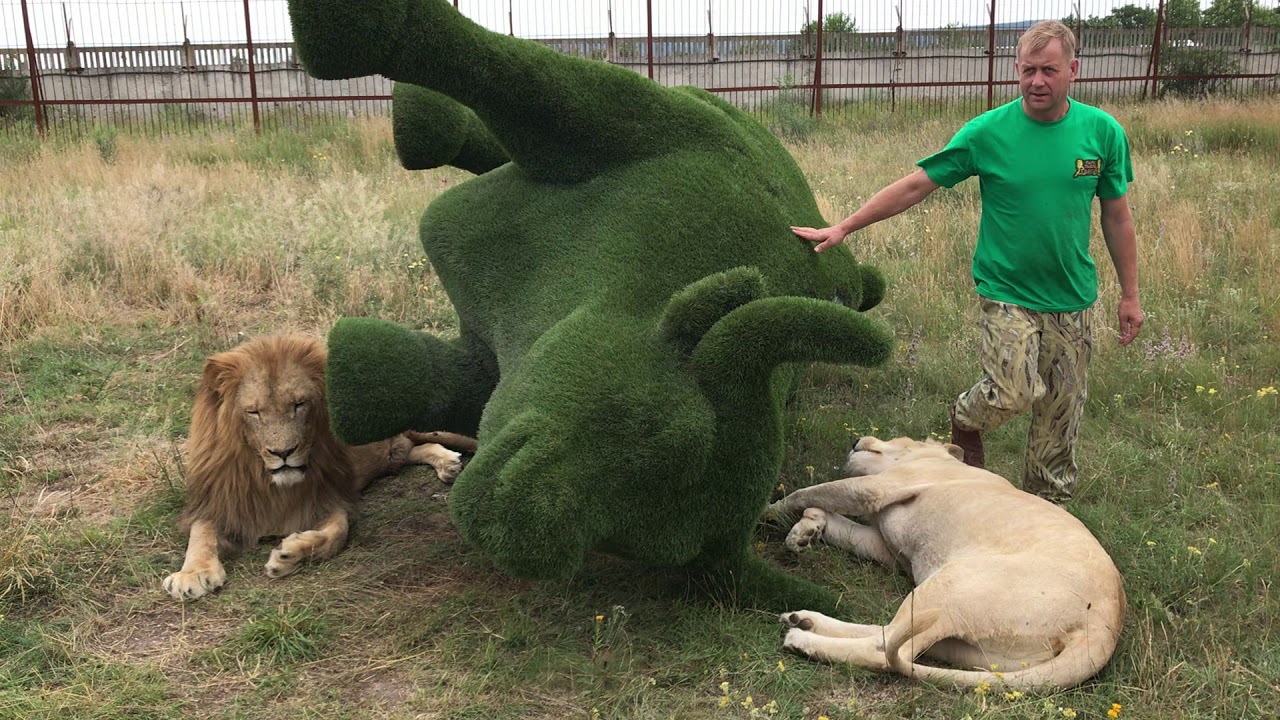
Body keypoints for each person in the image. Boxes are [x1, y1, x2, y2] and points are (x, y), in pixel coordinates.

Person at [793, 20, 1143, 501]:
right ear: (1016, 71)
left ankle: (1047, 511)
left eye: (1048, 70)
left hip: (1072, 296)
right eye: (1027, 70)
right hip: (1007, 293)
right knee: (1015, 392)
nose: (1037, 81)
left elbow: (1117, 216)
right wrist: (846, 226)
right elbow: (918, 183)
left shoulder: (1102, 134)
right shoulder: (988, 132)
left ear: (1073, 70)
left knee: (1059, 421)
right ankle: (965, 417)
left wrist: (1130, 295)